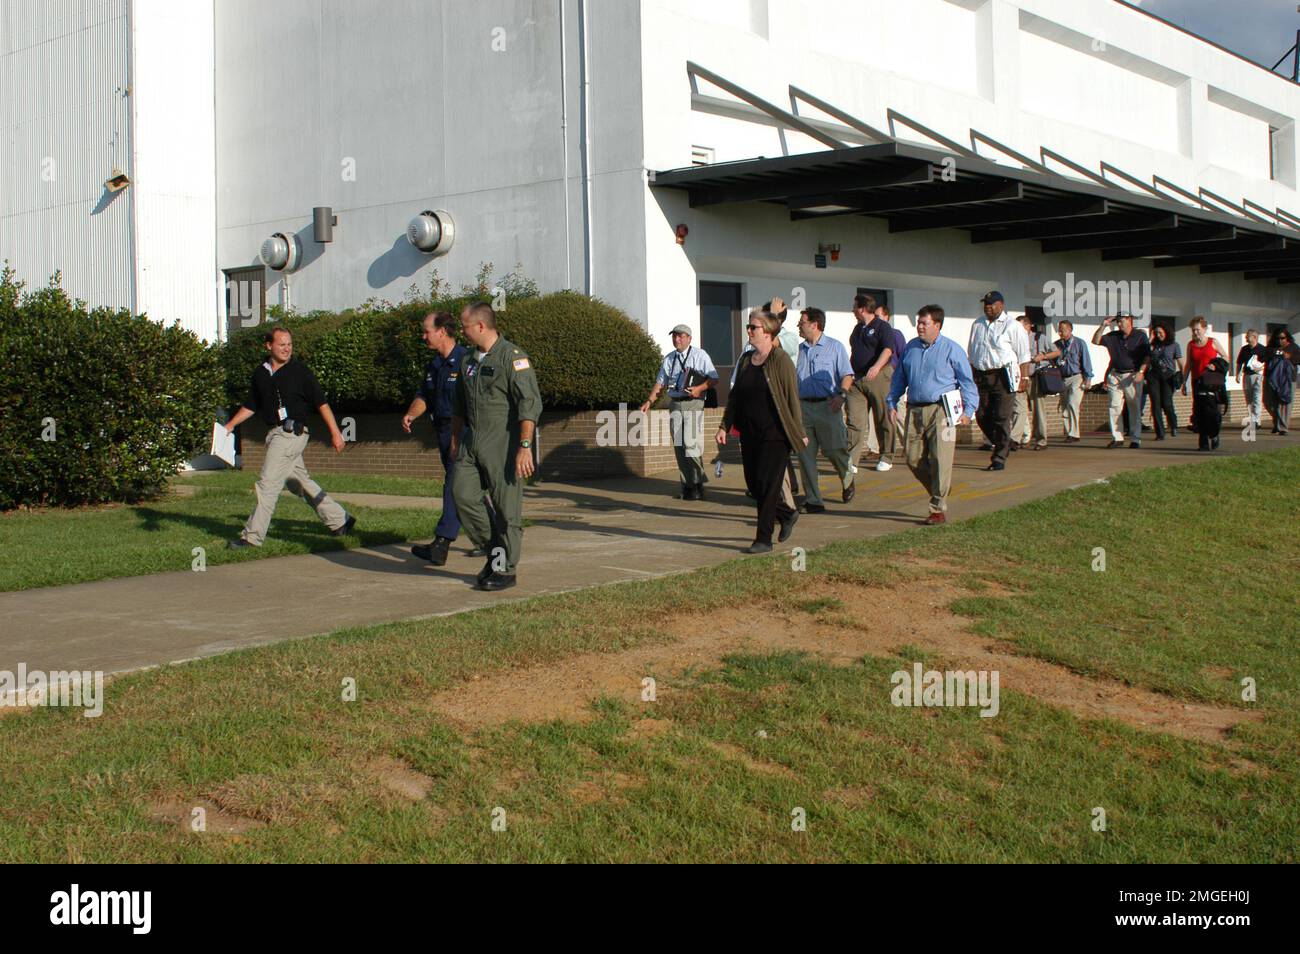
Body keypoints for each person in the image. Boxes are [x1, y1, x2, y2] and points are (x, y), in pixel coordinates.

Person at [224, 326, 355, 548]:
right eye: (282, 344)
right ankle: (340, 520)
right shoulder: (260, 373)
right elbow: (251, 405)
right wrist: (229, 425)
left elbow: (321, 403)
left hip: (291, 435)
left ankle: (251, 537)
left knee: (267, 484)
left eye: (290, 345)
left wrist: (335, 433)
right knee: (298, 482)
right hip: (274, 433)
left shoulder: (300, 372)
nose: (287, 349)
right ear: (268, 346)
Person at [450, 301, 543, 591]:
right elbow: (459, 406)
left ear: (480, 326)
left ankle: (505, 569)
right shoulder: (467, 360)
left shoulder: (512, 358)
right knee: (462, 495)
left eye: (464, 327)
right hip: (471, 442)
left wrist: (524, 446)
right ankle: (493, 550)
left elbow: (529, 405)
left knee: (507, 511)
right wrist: (455, 440)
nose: (461, 332)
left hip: (503, 445)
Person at [716, 310, 807, 553]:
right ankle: (787, 514)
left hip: (775, 435)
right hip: (750, 432)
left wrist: (799, 431)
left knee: (768, 485)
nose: (748, 331)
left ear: (767, 333)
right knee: (754, 485)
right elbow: (735, 397)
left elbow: (791, 398)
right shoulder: (746, 360)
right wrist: (724, 425)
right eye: (748, 327)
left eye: (753, 327)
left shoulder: (780, 360)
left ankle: (763, 539)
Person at [402, 311, 482, 566]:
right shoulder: (434, 365)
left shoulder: (466, 360)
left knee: (455, 484)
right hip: (443, 432)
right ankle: (492, 540)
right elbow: (424, 396)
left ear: (442, 332)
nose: (423, 336)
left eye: (427, 331)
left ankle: (442, 543)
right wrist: (411, 414)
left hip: (465, 431)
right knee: (470, 490)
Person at [887, 305, 979, 525]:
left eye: (924, 323)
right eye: (918, 322)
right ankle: (940, 489)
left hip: (942, 411)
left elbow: (967, 382)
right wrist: (891, 402)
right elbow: (899, 378)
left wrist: (968, 411)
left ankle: (937, 508)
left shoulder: (952, 349)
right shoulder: (911, 348)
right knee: (912, 457)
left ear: (937, 325)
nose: (919, 326)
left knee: (941, 459)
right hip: (915, 409)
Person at [641, 323, 717, 500]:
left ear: (689, 338)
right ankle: (687, 486)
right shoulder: (669, 359)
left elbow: (714, 378)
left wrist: (700, 388)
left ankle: (698, 484)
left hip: (693, 403)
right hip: (675, 403)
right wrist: (649, 401)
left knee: (691, 444)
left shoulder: (700, 355)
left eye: (681, 336)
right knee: (679, 446)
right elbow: (660, 382)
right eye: (674, 336)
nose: (677, 339)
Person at [794, 307, 855, 512]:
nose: (798, 326)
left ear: (814, 324)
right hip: (803, 409)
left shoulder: (835, 347)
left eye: (802, 322)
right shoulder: (799, 350)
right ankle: (813, 500)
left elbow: (847, 375)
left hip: (828, 406)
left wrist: (842, 395)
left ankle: (847, 478)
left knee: (834, 450)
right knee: (805, 455)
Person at [967, 290, 1030, 471]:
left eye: (992, 304)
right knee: (980, 415)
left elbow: (1024, 355)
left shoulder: (1012, 326)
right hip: (981, 374)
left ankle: (999, 458)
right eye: (986, 304)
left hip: (1004, 375)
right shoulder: (977, 324)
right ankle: (1003, 442)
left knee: (1002, 416)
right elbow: (972, 352)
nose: (988, 307)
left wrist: (1024, 377)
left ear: (1001, 305)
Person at [845, 293, 897, 473]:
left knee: (882, 417)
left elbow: (888, 349)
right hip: (857, 380)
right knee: (854, 420)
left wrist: (876, 367)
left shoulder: (882, 327)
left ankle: (886, 456)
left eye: (854, 306)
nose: (852, 310)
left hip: (879, 377)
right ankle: (851, 460)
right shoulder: (857, 328)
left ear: (862, 308)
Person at [1092, 311, 1151, 449]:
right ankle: (1117, 437)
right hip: (1115, 374)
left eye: (1122, 320)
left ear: (1130, 320)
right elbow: (1095, 341)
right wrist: (1103, 326)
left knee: (1134, 407)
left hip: (1132, 375)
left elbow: (1147, 357)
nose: (1119, 324)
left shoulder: (1140, 336)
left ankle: (1135, 438)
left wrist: (1141, 372)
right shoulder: (1113, 336)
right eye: (1117, 321)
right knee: (1114, 406)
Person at [1181, 316, 1229, 451]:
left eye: (1198, 330)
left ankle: (1214, 435)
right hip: (1197, 382)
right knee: (1199, 412)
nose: (1195, 333)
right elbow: (1189, 364)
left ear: (1204, 329)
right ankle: (1203, 443)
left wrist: (1215, 365)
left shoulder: (1213, 342)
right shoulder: (1191, 345)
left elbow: (1226, 357)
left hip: (1212, 382)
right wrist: (1184, 382)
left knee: (1212, 412)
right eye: (1193, 330)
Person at [1039, 319, 1092, 443]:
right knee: (1064, 405)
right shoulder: (1056, 344)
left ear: (1070, 330)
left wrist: (1088, 378)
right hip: (1061, 378)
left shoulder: (1079, 343)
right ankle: (1069, 432)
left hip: (1076, 376)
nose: (1060, 333)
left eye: (1062, 330)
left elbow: (1086, 361)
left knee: (1073, 403)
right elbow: (1051, 359)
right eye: (1059, 330)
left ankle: (1074, 433)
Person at [1011, 314, 1052, 450]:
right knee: (1019, 409)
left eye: (1020, 326)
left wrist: (1043, 356)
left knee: (1038, 410)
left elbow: (1057, 352)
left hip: (1034, 377)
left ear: (1028, 325)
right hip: (1019, 378)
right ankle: (1015, 439)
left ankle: (1041, 440)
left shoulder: (1039, 338)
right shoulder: (1014, 340)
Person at [1147, 323, 1182, 440]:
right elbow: (1146, 357)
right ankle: (1160, 433)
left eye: (1160, 332)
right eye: (1156, 333)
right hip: (1154, 376)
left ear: (1166, 332)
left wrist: (1183, 377)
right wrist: (1150, 340)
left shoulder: (1174, 345)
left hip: (1168, 376)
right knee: (1155, 404)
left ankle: (1173, 424)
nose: (1158, 335)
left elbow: (1180, 362)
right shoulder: (1153, 346)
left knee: (1167, 403)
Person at [1263, 328, 1298, 435]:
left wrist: (1290, 356)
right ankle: (1277, 422)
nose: (1280, 340)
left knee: (1285, 403)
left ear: (1287, 338)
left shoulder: (1293, 347)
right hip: (1271, 378)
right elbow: (1262, 357)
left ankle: (1283, 428)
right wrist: (1272, 353)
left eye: (1282, 338)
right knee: (1268, 402)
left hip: (1287, 379)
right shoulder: (1270, 348)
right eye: (1277, 338)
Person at [1235, 328, 1268, 430]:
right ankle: (1252, 418)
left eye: (1247, 336)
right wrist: (1237, 374)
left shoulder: (1262, 349)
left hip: (1258, 376)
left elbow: (1266, 363)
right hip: (1247, 376)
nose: (1246, 338)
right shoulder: (1244, 349)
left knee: (1257, 398)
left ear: (1254, 337)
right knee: (1249, 399)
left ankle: (1256, 420)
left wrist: (1262, 370)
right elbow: (1239, 362)